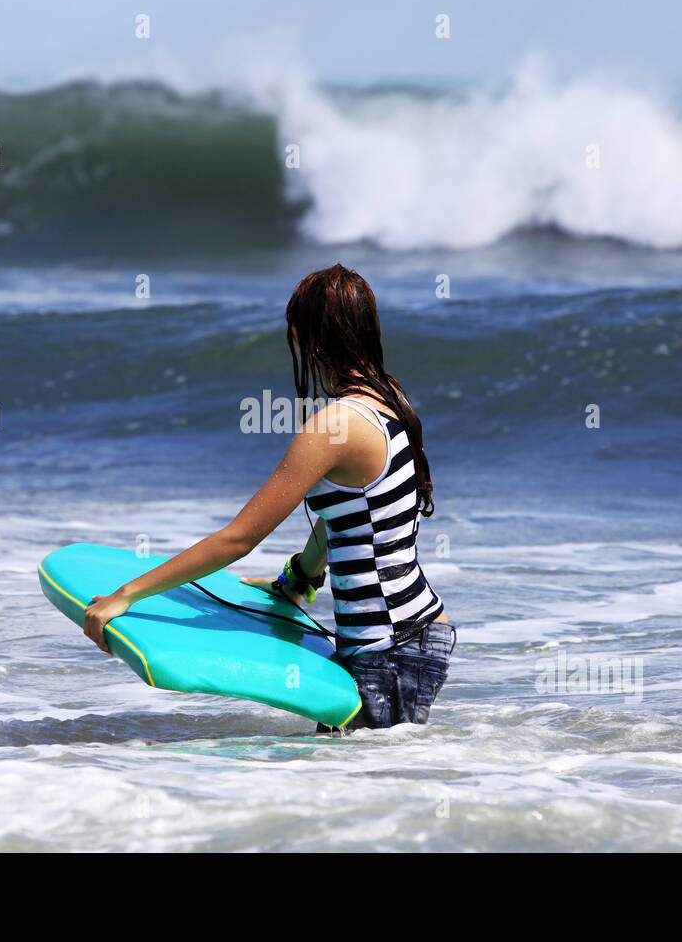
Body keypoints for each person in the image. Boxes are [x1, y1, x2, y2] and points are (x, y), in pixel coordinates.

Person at [82, 264, 455, 730]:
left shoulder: (335, 426)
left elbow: (238, 539)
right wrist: (299, 580)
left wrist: (126, 595)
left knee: (359, 788)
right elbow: (352, 516)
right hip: (413, 635)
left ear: (302, 335)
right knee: (360, 786)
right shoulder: (390, 401)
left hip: (388, 650)